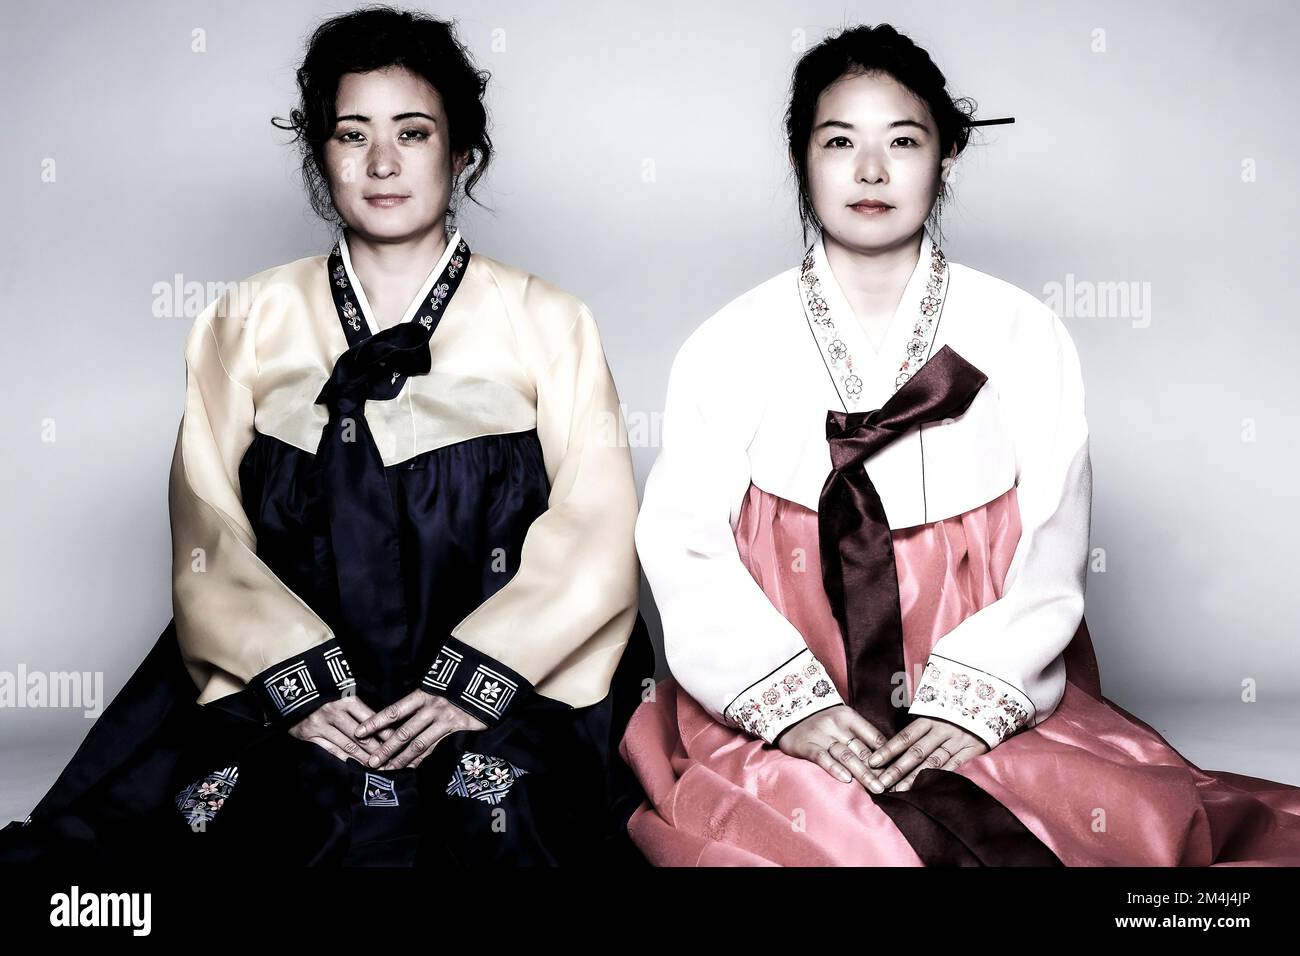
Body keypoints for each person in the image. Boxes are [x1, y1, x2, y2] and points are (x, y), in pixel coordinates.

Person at [619, 22, 1300, 866]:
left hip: (973, 645)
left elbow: (1053, 536)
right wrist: (788, 702)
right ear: (802, 160)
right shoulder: (730, 340)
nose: (871, 171)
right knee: (825, 840)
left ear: (945, 158)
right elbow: (683, 543)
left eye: (903, 141)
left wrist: (966, 701)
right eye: (840, 142)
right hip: (794, 654)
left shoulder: (1022, 329)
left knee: (1109, 829)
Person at [1, 6, 652, 867]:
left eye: (413, 133)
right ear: (320, 154)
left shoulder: (548, 321)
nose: (382, 163)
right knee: (276, 820)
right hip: (295, 669)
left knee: (499, 822)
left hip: (505, 676)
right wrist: (298, 687)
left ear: (461, 154)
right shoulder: (246, 320)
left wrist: (471, 688)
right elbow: (208, 527)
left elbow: (596, 532)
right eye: (352, 134)